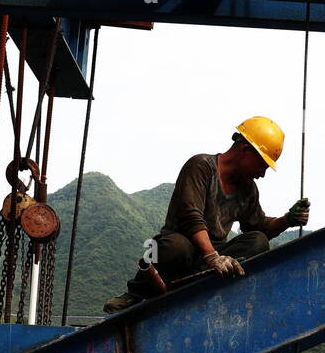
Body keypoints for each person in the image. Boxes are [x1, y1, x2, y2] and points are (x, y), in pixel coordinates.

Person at [103, 116, 308, 312]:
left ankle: (193, 285)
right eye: (262, 164)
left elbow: (258, 226)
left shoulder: (248, 189)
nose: (262, 173)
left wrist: (287, 220)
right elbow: (192, 217)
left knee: (258, 241)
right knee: (172, 247)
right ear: (245, 149)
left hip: (207, 259)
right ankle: (135, 293)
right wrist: (213, 258)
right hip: (177, 250)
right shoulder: (201, 166)